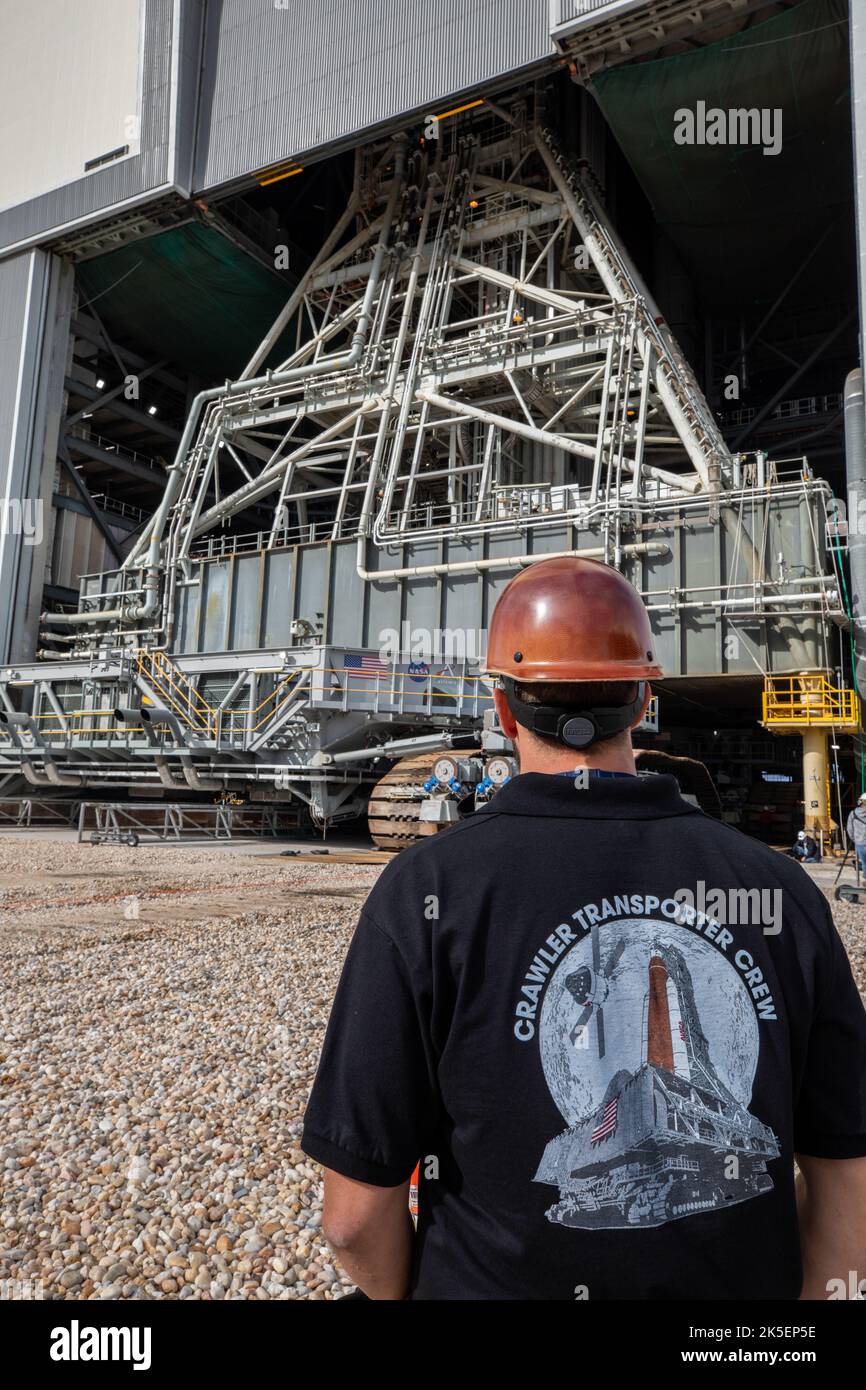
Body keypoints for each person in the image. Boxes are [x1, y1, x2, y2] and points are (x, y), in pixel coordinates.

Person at [302, 556, 866, 1300]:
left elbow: (351, 1218)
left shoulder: (426, 891)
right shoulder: (778, 890)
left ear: (503, 709)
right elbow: (849, 1178)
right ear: (641, 702)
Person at [846, 793, 866, 877]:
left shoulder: (853, 813)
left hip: (859, 844)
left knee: (864, 864)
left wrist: (855, 839)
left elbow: (849, 830)